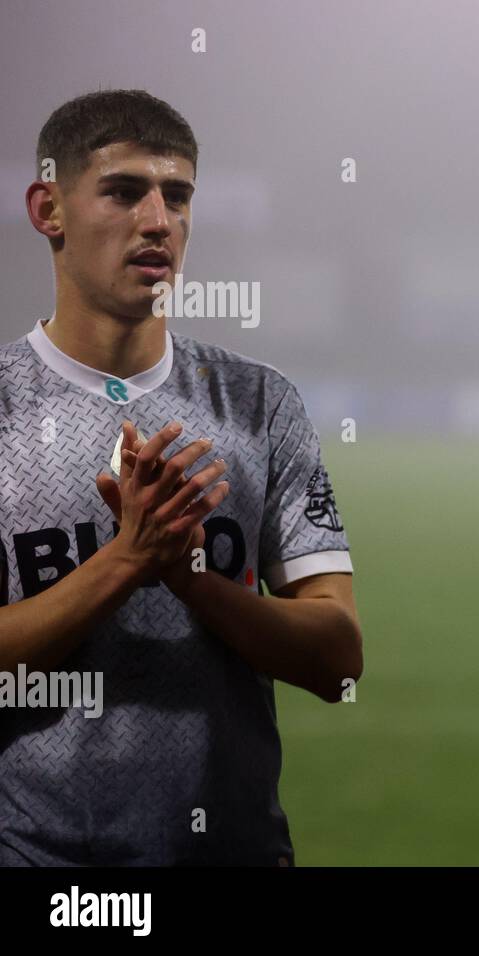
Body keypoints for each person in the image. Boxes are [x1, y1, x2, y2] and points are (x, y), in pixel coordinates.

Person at [0, 89, 363, 865]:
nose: (159, 221)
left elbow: (337, 658)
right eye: (125, 192)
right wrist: (128, 562)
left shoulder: (258, 403)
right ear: (48, 208)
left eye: (178, 196)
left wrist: (193, 578)